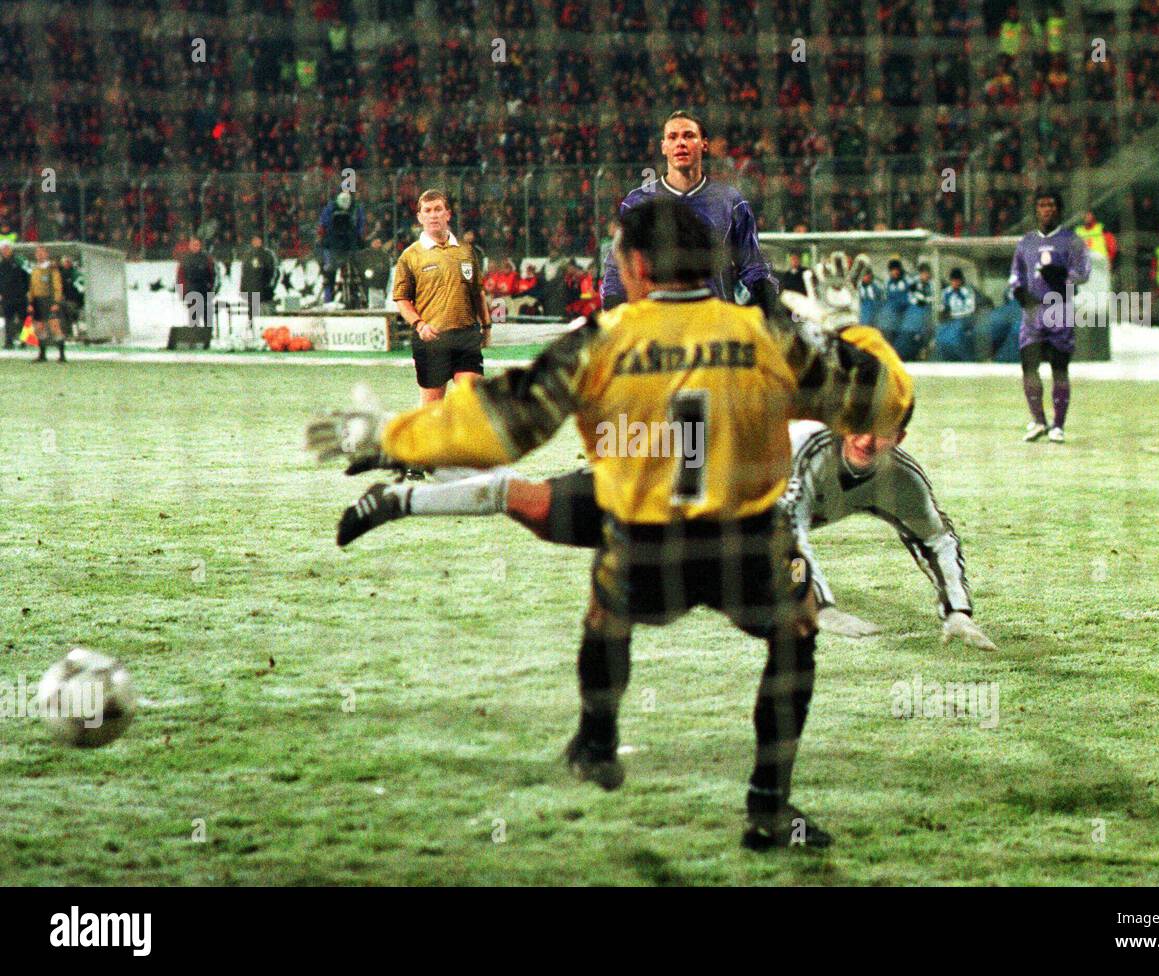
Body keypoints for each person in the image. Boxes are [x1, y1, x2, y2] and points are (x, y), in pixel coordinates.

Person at [308, 197, 914, 850]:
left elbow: (502, 422)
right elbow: (881, 404)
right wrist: (850, 331)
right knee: (794, 635)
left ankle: (597, 740)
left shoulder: (604, 339)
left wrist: (391, 435)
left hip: (644, 548)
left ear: (639, 263)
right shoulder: (764, 336)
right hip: (749, 543)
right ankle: (769, 808)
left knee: (608, 606)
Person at [334, 420, 996, 650]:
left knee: (526, 501)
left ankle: (406, 460)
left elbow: (936, 536)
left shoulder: (898, 477)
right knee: (525, 502)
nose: (862, 435)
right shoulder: (811, 449)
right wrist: (819, 606)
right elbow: (785, 525)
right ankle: (400, 496)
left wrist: (958, 613)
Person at [599, 110, 779, 316]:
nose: (680, 143)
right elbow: (616, 271)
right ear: (663, 147)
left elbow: (753, 267)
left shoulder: (730, 201)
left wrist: (771, 305)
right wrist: (612, 308)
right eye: (672, 137)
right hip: (653, 328)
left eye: (689, 136)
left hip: (713, 327)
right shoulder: (638, 202)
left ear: (704, 144)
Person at [391, 190, 490, 405]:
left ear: (448, 214)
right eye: (427, 211)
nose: (433, 215)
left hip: (466, 337)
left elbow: (478, 292)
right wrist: (420, 325)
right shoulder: (410, 256)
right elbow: (401, 299)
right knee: (432, 412)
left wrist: (487, 326)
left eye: (438, 209)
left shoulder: (465, 251)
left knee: (473, 403)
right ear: (420, 218)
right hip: (431, 340)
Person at [1009, 189, 1091, 443]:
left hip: (1060, 313)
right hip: (1033, 315)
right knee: (1029, 367)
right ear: (1036, 210)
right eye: (1042, 205)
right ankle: (1038, 421)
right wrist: (1020, 292)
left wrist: (1062, 276)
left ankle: (1059, 425)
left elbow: (1083, 273)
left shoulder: (1072, 240)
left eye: (1052, 204)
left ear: (1059, 209)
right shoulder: (1026, 242)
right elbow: (1015, 275)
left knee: (1059, 369)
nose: (1047, 209)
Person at [319, 190, 365, 305]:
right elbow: (323, 226)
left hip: (349, 245)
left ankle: (353, 296)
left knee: (353, 272)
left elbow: (360, 226)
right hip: (333, 246)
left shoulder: (356, 208)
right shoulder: (330, 209)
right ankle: (328, 299)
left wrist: (357, 238)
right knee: (330, 272)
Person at [27, 245, 65, 363]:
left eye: (42, 253)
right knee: (39, 328)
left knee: (55, 327)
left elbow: (57, 286)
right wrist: (30, 302)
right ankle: (42, 355)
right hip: (38, 301)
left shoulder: (52, 268)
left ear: (46, 254)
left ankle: (62, 355)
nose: (40, 255)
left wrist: (56, 302)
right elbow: (32, 287)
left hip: (49, 300)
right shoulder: (34, 269)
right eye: (38, 253)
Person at [936, 268, 977, 361]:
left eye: (957, 280)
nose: (955, 283)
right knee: (940, 330)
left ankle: (963, 357)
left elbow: (970, 308)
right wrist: (943, 311)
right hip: (950, 319)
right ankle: (945, 356)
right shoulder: (946, 292)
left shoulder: (967, 291)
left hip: (963, 318)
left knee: (956, 331)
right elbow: (941, 305)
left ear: (961, 280)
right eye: (953, 281)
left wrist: (955, 314)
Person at [177, 236, 216, 331]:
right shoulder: (184, 259)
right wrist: (181, 293)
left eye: (197, 245)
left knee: (207, 315)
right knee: (193, 316)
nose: (195, 247)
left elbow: (212, 275)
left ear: (200, 246)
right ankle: (194, 335)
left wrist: (211, 288)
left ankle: (208, 335)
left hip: (205, 290)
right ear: (190, 246)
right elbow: (180, 277)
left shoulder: (206, 258)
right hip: (191, 291)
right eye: (193, 245)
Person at [238, 233, 279, 316]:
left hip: (264, 292)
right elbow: (244, 273)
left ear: (261, 241)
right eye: (254, 240)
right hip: (251, 291)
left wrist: (269, 287)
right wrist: (243, 287)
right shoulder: (248, 256)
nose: (255, 242)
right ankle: (252, 326)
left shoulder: (268, 255)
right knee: (253, 314)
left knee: (265, 314)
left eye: (257, 240)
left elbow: (274, 272)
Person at [0, 243, 29, 349]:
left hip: (20, 296)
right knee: (8, 320)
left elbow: (27, 276)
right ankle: (9, 341)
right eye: (3, 249)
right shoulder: (1, 264)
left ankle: (24, 341)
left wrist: (26, 291)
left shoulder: (20, 261)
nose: (5, 251)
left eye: (7, 249)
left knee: (24, 319)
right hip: (7, 297)